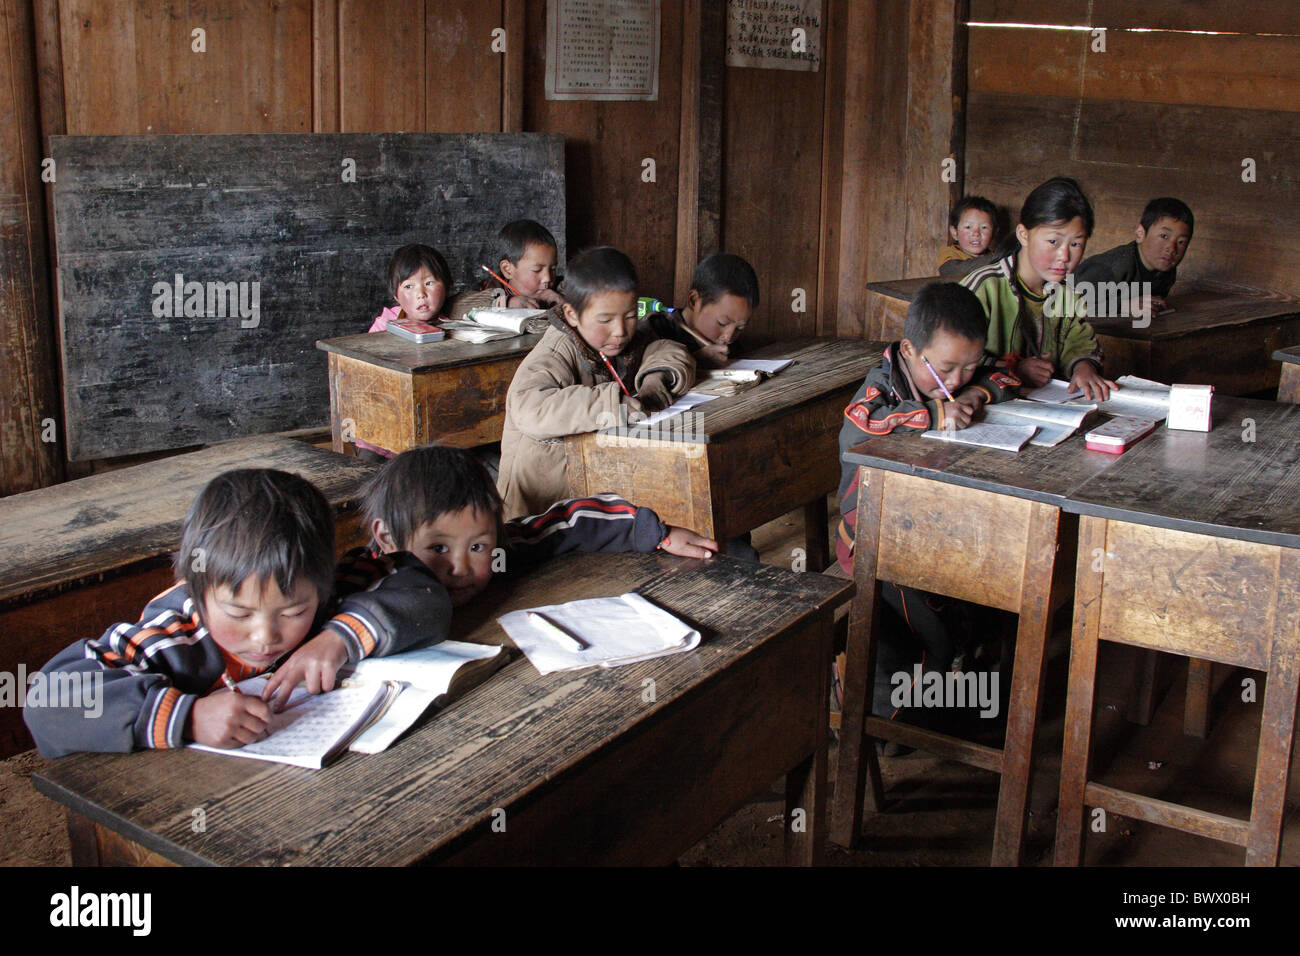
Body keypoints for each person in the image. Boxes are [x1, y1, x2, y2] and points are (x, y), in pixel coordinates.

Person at [24, 469, 451, 757]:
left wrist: (338, 637)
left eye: (293, 611)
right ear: (197, 591)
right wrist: (187, 717)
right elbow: (47, 699)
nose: (266, 636)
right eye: (238, 613)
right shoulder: (173, 635)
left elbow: (423, 590)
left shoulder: (329, 594)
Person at [836, 282, 1020, 720]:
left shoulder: (957, 371)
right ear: (909, 350)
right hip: (875, 535)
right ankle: (890, 711)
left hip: (938, 524)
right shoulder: (881, 387)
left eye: (968, 366)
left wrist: (978, 393)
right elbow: (861, 423)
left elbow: (1006, 375)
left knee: (994, 587)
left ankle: (962, 689)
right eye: (946, 370)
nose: (955, 381)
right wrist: (935, 416)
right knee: (927, 619)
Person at [497, 246, 694, 518]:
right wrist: (614, 404)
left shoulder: (623, 340)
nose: (620, 331)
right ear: (572, 315)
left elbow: (667, 349)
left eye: (629, 316)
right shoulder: (556, 351)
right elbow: (530, 408)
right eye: (605, 320)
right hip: (539, 512)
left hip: (593, 497)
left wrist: (655, 378)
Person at [961, 176, 1116, 401]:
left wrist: (1084, 368)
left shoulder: (1067, 296)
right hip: (986, 407)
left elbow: (1080, 341)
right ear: (1024, 234)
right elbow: (951, 358)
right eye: (1053, 241)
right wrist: (1010, 370)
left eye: (1076, 244)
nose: (1064, 256)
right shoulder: (984, 288)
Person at [1074, 197, 1194, 315]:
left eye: (1181, 242)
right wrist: (1124, 306)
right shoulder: (1115, 267)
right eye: (1164, 236)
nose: (1172, 249)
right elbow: (1068, 304)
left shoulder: (1167, 273)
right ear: (1140, 234)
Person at [641, 253, 759, 368]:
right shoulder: (656, 331)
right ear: (693, 300)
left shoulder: (732, 346)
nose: (728, 337)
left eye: (739, 328)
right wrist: (694, 360)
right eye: (722, 323)